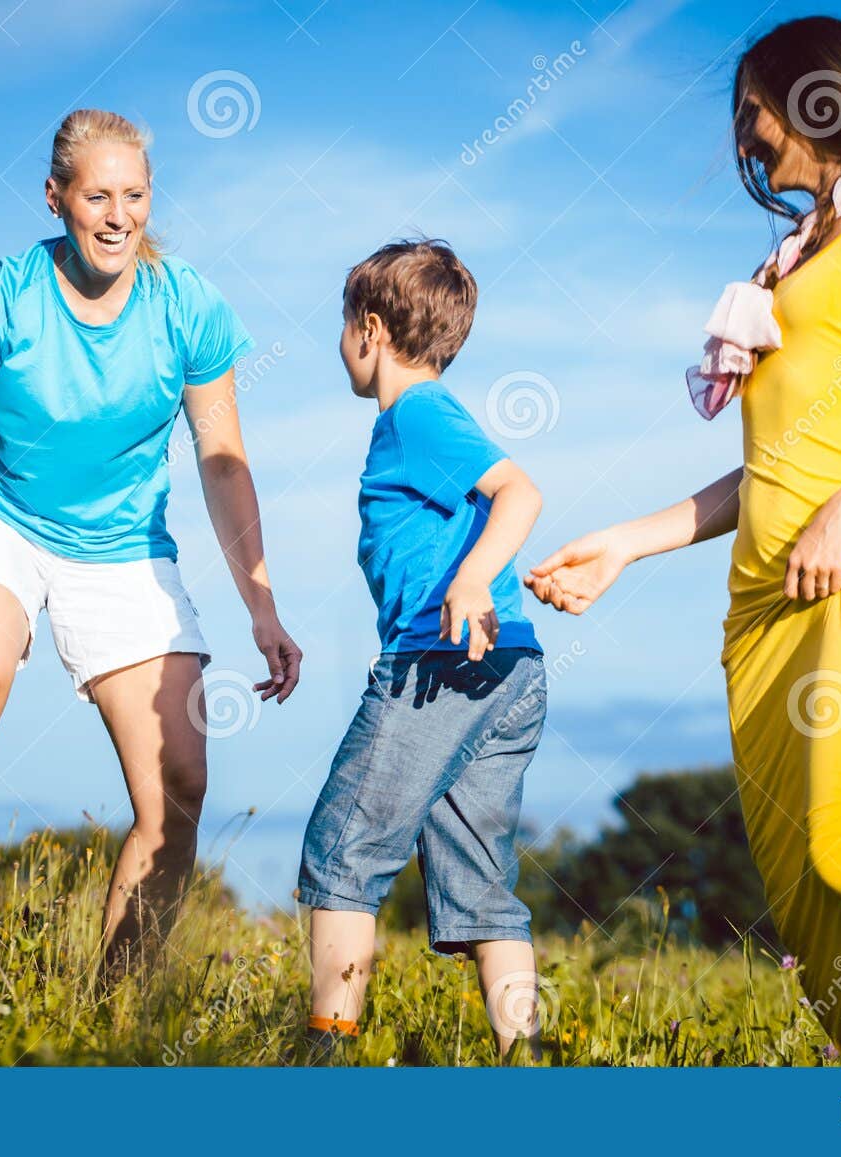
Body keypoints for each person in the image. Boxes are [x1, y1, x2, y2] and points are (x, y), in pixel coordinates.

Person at [526, 17, 841, 1066]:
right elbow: (766, 472)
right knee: (815, 909)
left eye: (752, 107)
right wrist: (624, 543)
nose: (742, 134)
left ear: (815, 102)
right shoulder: (782, 268)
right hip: (761, 615)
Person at [0, 110, 301, 990]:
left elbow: (222, 459)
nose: (118, 214)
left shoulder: (188, 306)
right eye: (97, 195)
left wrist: (262, 605)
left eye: (134, 195)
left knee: (182, 783)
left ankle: (112, 1005)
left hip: (124, 544)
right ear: (56, 198)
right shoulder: (9, 295)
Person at [297, 239, 548, 1062]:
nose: (341, 343)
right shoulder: (430, 419)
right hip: (509, 670)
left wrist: (471, 580)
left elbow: (520, 490)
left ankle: (324, 1054)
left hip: (441, 666)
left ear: (370, 329)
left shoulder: (418, 415)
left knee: (343, 846)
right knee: (479, 881)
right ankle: (526, 1056)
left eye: (343, 326)